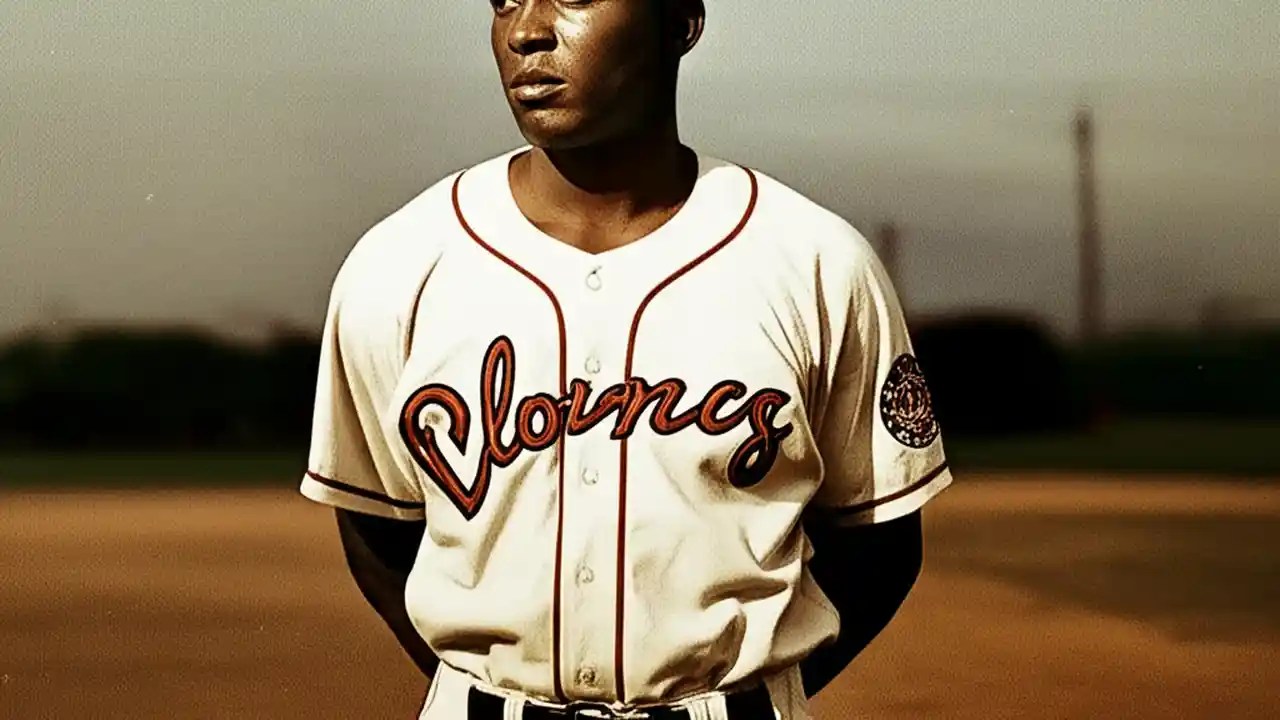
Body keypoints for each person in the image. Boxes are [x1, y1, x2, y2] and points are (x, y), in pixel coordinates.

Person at [299, 1, 953, 718]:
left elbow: (880, 548)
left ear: (681, 21)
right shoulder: (400, 264)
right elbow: (378, 529)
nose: (526, 31)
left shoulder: (817, 263)